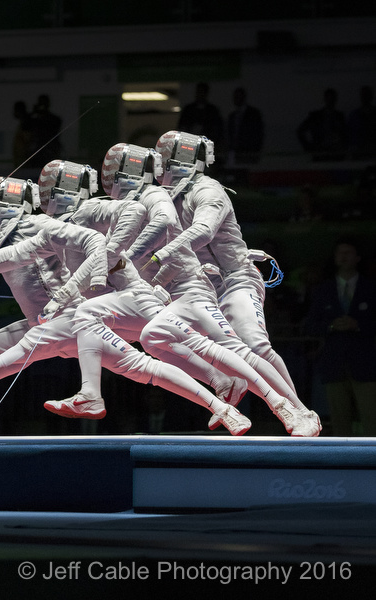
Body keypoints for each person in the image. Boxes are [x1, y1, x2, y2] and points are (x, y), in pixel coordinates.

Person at [0, 176, 253, 436]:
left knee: (140, 363)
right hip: (64, 323)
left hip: (69, 322)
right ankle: (221, 395)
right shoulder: (37, 230)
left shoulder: (32, 230)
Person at [150, 130, 321, 435]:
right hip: (199, 288)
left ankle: (300, 411)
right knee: (155, 334)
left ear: (180, 162)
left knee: (254, 344)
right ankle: (225, 380)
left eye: (162, 160)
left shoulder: (209, 191)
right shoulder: (164, 200)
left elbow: (202, 232)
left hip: (235, 280)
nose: (158, 167)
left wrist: (159, 256)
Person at [304, 240, 376, 436]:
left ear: (358, 258)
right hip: (333, 363)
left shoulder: (371, 288)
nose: (343, 256)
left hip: (367, 364)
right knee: (339, 422)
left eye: (349, 252)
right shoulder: (322, 290)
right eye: (340, 253)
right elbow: (309, 324)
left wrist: (358, 325)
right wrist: (331, 326)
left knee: (372, 419)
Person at [296, 88, 346, 161]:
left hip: (336, 154)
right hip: (320, 153)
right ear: (325, 99)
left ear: (335, 100)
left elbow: (345, 134)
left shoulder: (340, 116)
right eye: (329, 98)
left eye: (332, 99)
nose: (330, 101)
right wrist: (308, 147)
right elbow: (300, 131)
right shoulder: (316, 116)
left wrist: (343, 147)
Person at [225, 87, 264, 164]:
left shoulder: (253, 114)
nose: (237, 99)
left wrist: (255, 150)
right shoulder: (232, 116)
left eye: (239, 97)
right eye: (235, 97)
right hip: (234, 152)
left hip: (249, 152)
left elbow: (258, 133)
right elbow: (229, 134)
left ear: (244, 97)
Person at [27, 94, 62, 168]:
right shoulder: (35, 120)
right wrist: (34, 112)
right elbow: (25, 125)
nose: (42, 106)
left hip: (50, 152)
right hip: (36, 153)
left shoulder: (54, 119)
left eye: (44, 103)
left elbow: (55, 127)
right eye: (40, 103)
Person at [348, 85, 376, 159]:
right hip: (359, 151)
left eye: (367, 95)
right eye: (364, 95)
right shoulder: (354, 115)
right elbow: (351, 133)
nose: (365, 97)